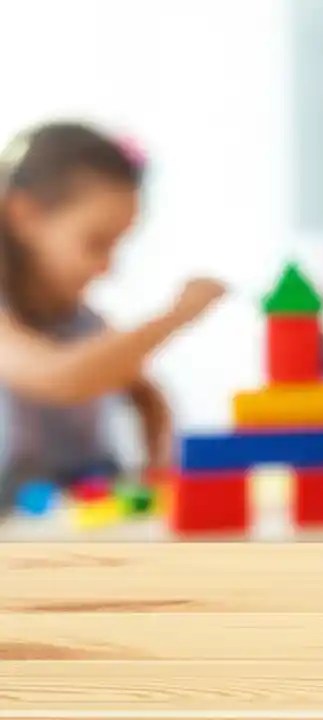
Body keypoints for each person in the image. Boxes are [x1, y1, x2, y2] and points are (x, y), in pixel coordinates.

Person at [0, 122, 226, 508]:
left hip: (88, 494)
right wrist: (176, 315)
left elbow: (146, 395)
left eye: (117, 245)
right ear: (25, 216)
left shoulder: (83, 319)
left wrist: (157, 468)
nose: (107, 266)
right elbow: (61, 376)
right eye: (96, 242)